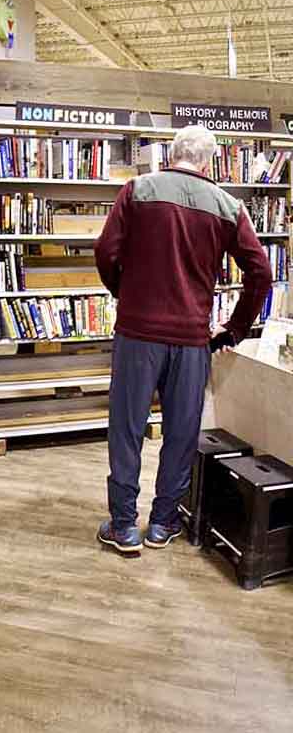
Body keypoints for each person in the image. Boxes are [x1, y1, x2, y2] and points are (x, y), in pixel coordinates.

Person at [94, 124, 272, 554]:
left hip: (138, 333)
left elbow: (105, 252)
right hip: (192, 339)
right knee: (181, 431)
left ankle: (123, 526)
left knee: (127, 429)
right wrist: (235, 328)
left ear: (170, 154)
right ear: (210, 162)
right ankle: (162, 523)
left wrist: (124, 292)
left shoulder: (136, 191)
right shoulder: (229, 207)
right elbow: (261, 272)